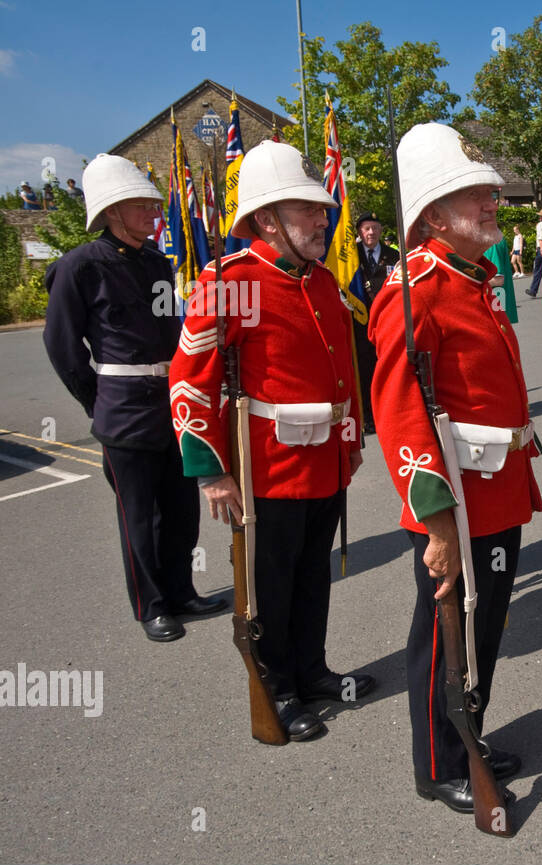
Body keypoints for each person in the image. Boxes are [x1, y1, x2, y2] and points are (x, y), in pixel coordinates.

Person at [168, 140, 373, 742]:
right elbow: (189, 377)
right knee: (271, 586)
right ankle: (276, 688)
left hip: (325, 462)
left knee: (314, 575)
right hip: (268, 470)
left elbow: (345, 372)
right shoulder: (229, 280)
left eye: (320, 209)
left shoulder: (324, 283)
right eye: (306, 210)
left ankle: (311, 670)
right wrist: (209, 469)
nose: (322, 219)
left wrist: (351, 438)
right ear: (266, 219)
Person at [368, 122, 542, 812]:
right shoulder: (416, 291)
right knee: (443, 633)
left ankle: (469, 727)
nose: (493, 201)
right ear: (434, 216)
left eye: (490, 191)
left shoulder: (474, 279)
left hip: (496, 492)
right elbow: (403, 418)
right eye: (474, 194)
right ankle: (439, 760)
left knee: (484, 627)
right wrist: (437, 524)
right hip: (458, 504)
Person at [43, 154, 224, 643]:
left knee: (182, 510)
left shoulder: (155, 260)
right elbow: (63, 347)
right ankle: (151, 605)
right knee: (138, 516)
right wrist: (97, 402)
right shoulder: (78, 266)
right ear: (111, 211)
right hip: (122, 408)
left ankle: (182, 590)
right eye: (140, 204)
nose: (153, 210)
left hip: (171, 402)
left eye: (151, 202)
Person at [355, 210, 399, 433]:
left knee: (388, 367)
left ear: (381, 230)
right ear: (360, 232)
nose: (371, 232)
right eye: (366, 228)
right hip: (360, 323)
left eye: (374, 228)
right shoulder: (351, 257)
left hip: (386, 322)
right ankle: (370, 416)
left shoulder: (394, 256)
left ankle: (390, 412)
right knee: (364, 369)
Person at [483, 231, 520, 324]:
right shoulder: (490, 239)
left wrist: (469, 284)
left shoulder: (491, 242)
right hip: (495, 303)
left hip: (496, 302)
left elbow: (498, 280)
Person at [524, 207, 542, 297]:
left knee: (537, 270)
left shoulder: (540, 225)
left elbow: (540, 238)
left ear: (541, 217)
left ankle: (533, 290)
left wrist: (541, 250)